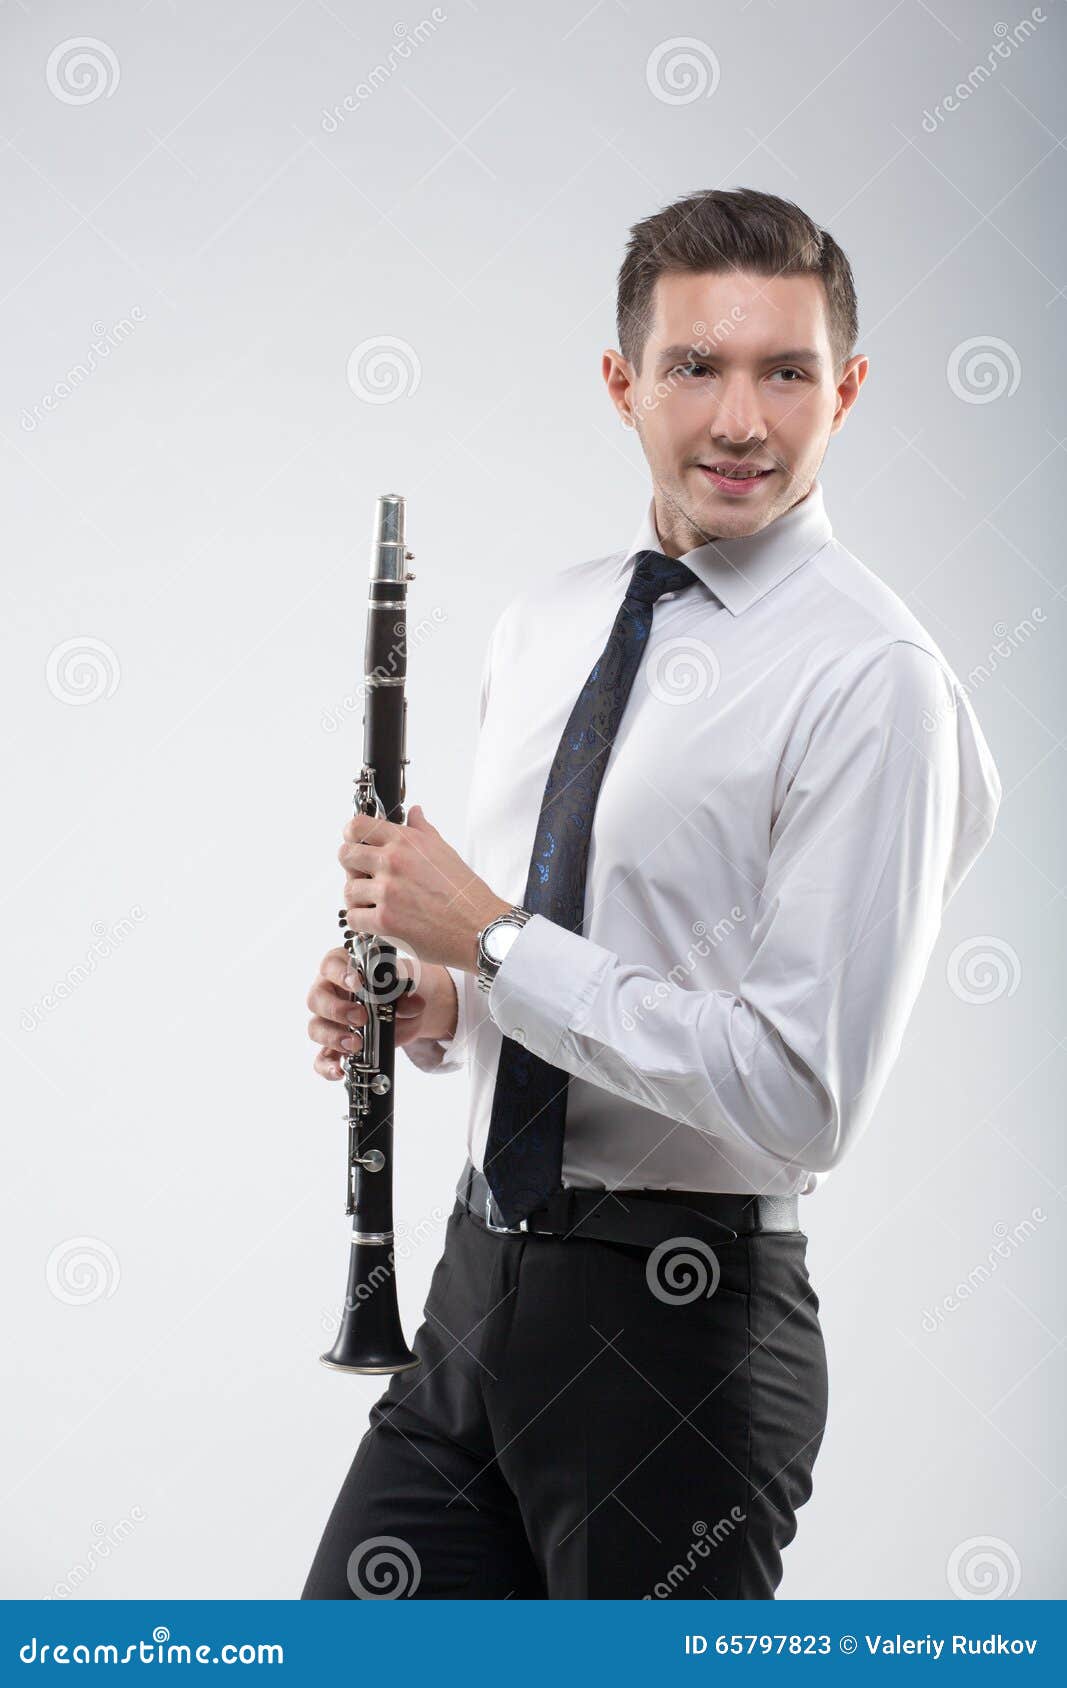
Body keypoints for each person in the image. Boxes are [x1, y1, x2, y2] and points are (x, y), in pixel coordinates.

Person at [301, 187, 1002, 1600]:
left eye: (787, 372)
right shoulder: (544, 622)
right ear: (623, 383)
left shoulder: (875, 684)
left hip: (680, 1331)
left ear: (847, 390)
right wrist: (432, 996)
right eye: (696, 367)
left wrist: (490, 936)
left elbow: (802, 1092)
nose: (742, 419)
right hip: (472, 1292)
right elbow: (563, 981)